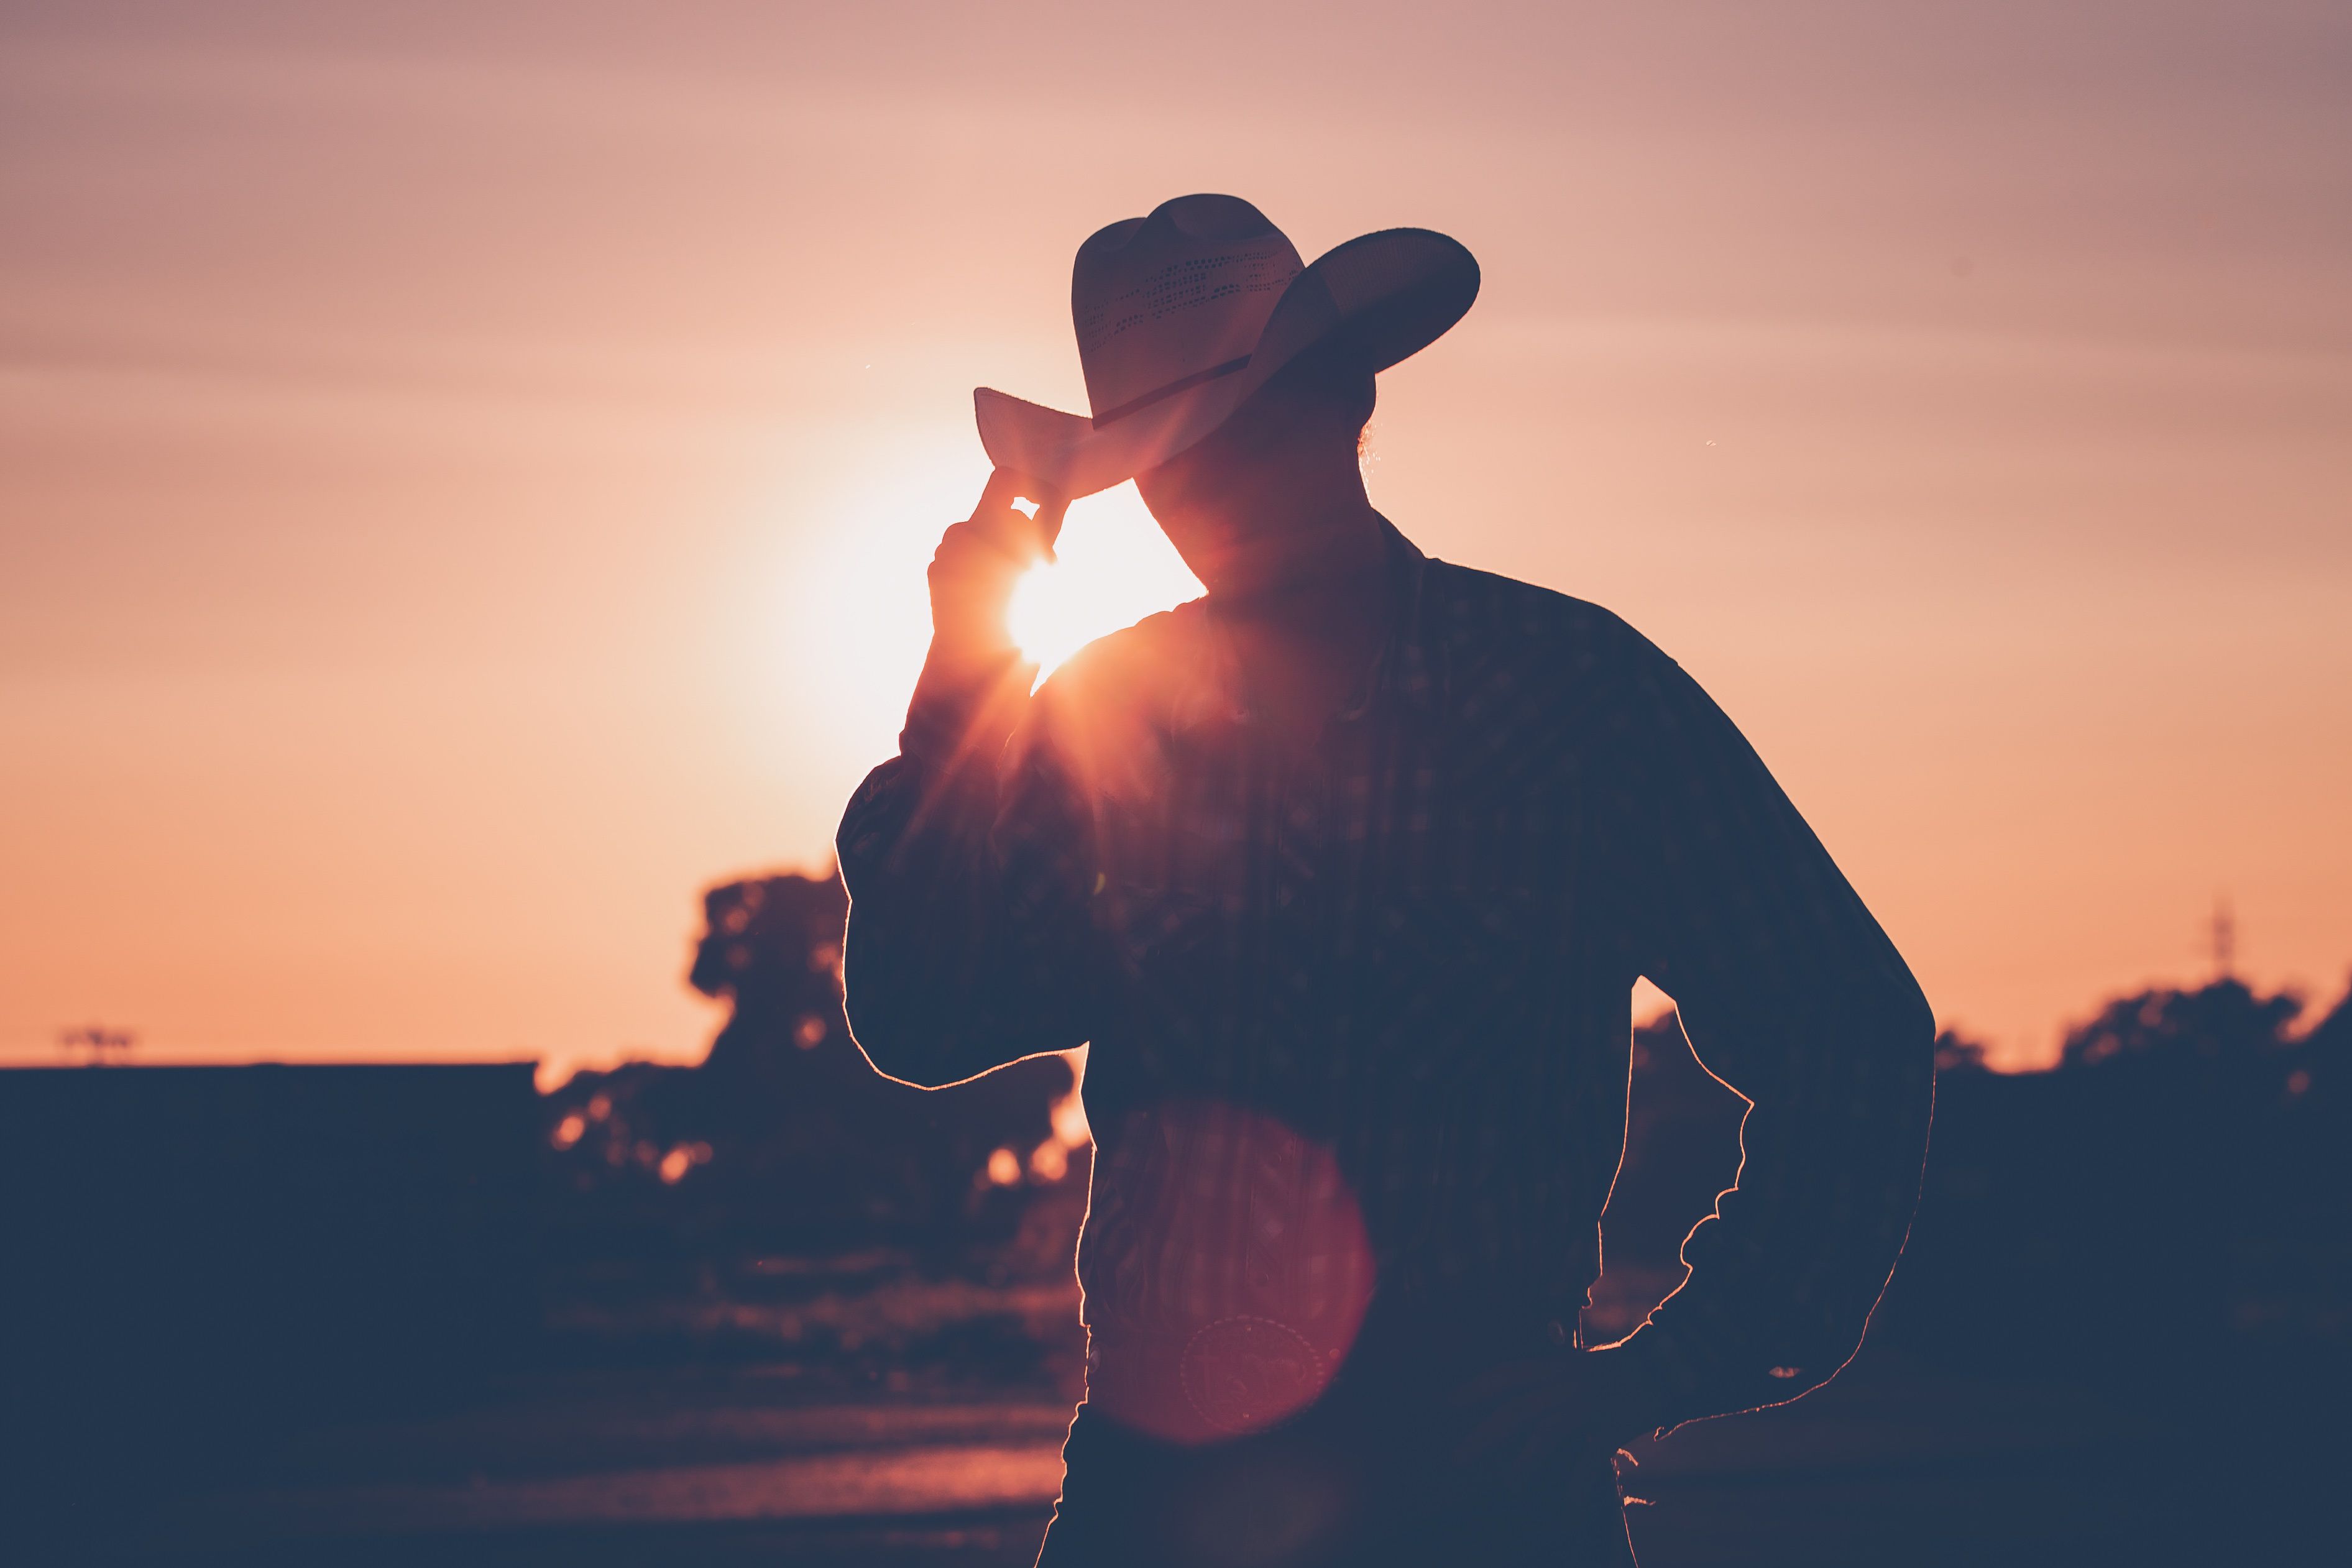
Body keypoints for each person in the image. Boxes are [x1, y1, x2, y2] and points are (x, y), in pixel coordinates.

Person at [836, 195, 1935, 1567]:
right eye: (1173, 454)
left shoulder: (1569, 691)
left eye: (1243, 424)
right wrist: (962, 688)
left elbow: (1848, 1026)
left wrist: (1667, 1367)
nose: (1209, 482)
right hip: (1156, 1493)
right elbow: (934, 1019)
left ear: (1343, 396)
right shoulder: (1095, 708)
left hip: (1476, 1488)